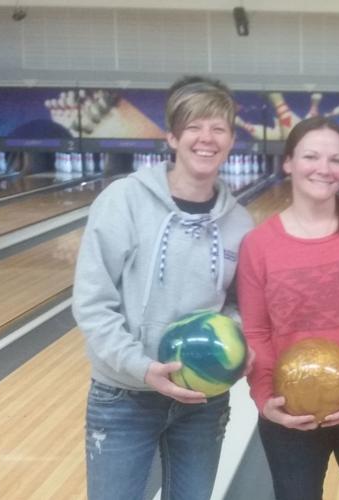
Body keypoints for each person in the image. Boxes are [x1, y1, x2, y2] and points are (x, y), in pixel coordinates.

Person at [72, 76, 254, 500]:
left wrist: (235, 342)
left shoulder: (239, 223)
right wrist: (141, 366)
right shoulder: (124, 201)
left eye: (218, 128)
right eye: (194, 126)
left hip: (203, 399)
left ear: (231, 140)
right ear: (172, 136)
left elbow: (238, 305)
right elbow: (92, 302)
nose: (206, 138)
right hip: (124, 394)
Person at [236, 116, 339, 500]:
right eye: (311, 156)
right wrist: (265, 399)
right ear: (288, 162)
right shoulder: (258, 245)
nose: (324, 169)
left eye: (336, 160)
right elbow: (256, 333)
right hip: (290, 415)